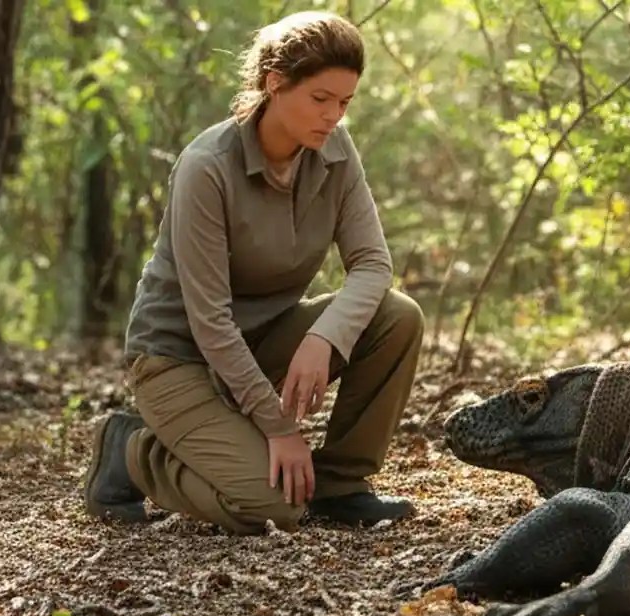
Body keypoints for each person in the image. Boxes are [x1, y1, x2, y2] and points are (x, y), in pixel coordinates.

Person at [81, 11, 423, 534]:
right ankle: (134, 450)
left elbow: (373, 265)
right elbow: (211, 322)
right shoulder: (207, 167)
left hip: (262, 342)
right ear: (275, 83)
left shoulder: (335, 150)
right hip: (179, 358)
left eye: (345, 102)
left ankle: (340, 486)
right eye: (320, 99)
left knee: (396, 315)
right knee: (271, 507)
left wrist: (323, 340)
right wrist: (280, 427)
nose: (334, 116)